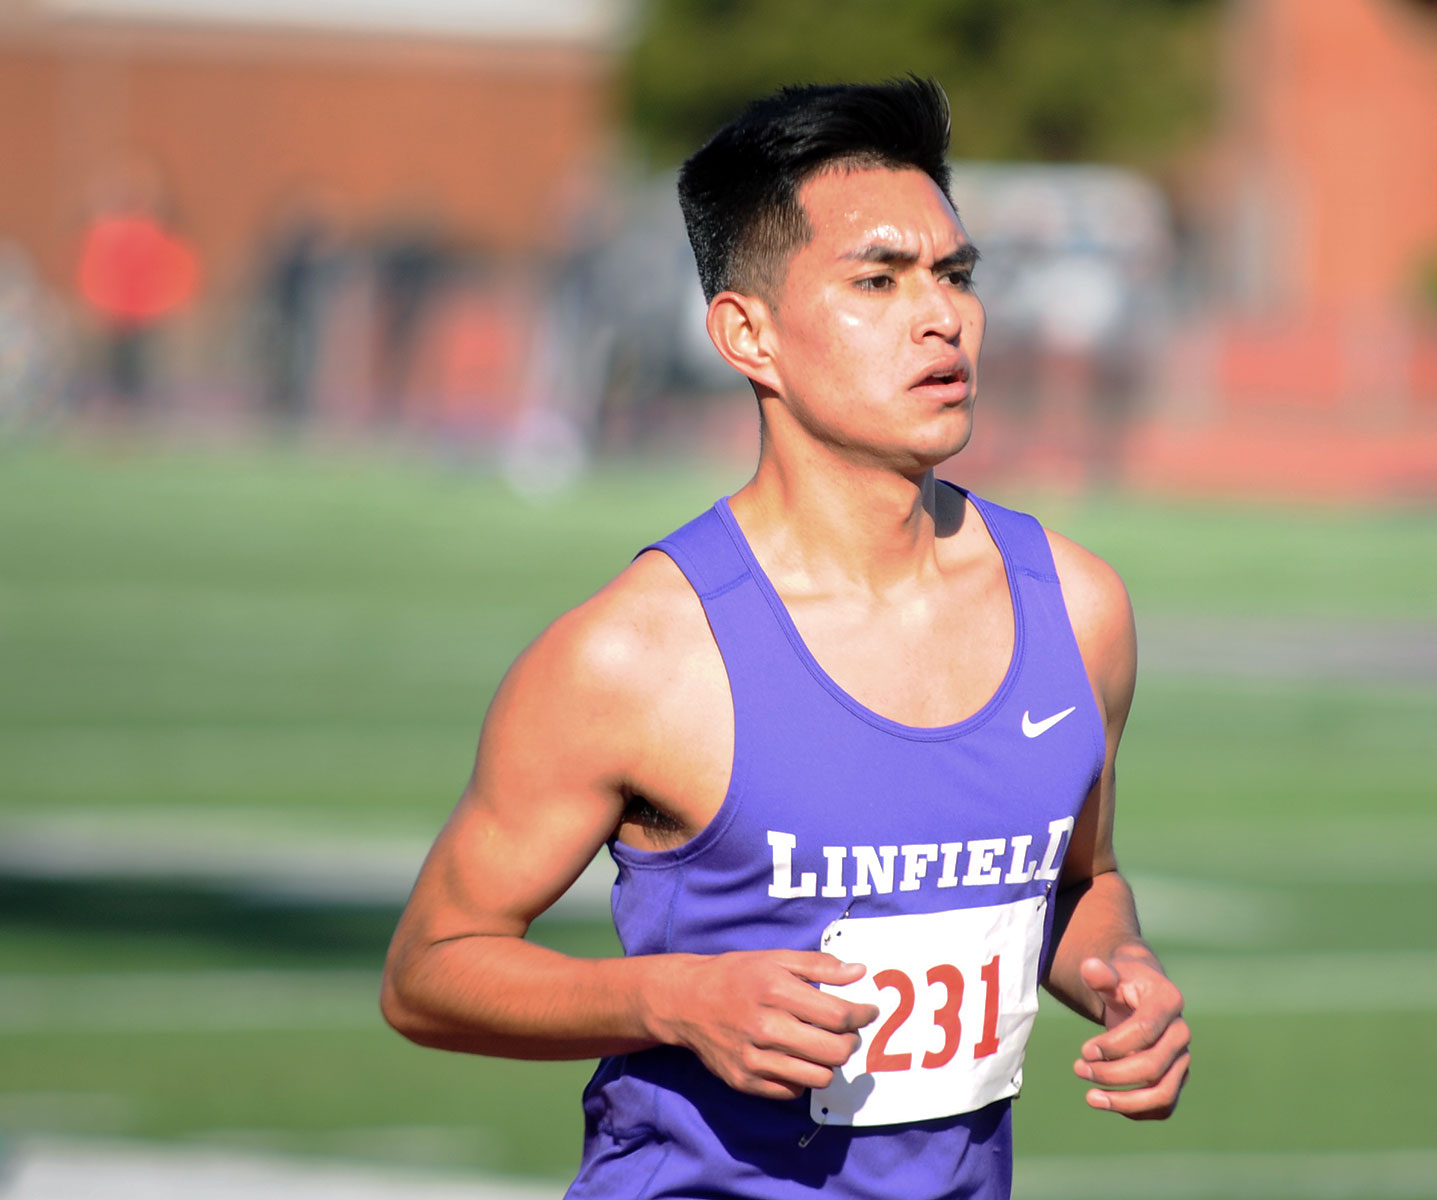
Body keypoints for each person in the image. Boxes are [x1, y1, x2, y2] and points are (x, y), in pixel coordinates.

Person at [380, 77, 1189, 1199]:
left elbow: (1072, 881)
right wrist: (674, 1001)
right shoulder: (636, 657)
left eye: (955, 276)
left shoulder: (1080, 609)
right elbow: (429, 971)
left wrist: (1120, 971)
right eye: (878, 280)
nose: (940, 316)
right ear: (745, 332)